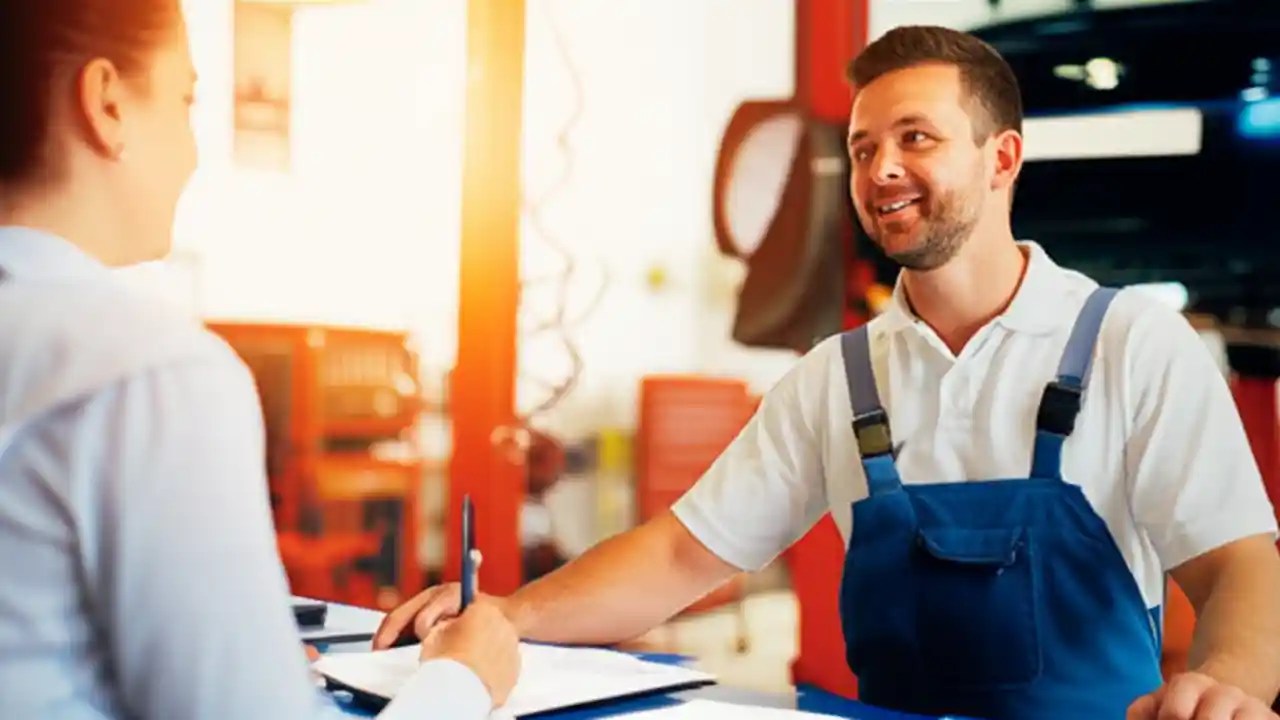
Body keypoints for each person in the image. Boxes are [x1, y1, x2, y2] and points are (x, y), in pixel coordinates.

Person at [376, 24, 1280, 720]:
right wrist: (506, 618)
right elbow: (684, 551)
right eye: (861, 147)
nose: (882, 168)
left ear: (1002, 157)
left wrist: (1229, 684)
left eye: (917, 138)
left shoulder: (1133, 343)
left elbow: (1239, 564)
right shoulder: (837, 378)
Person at [0, 2, 520, 718]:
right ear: (107, 102)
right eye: (185, 99)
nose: (192, 151)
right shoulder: (151, 374)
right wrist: (463, 679)